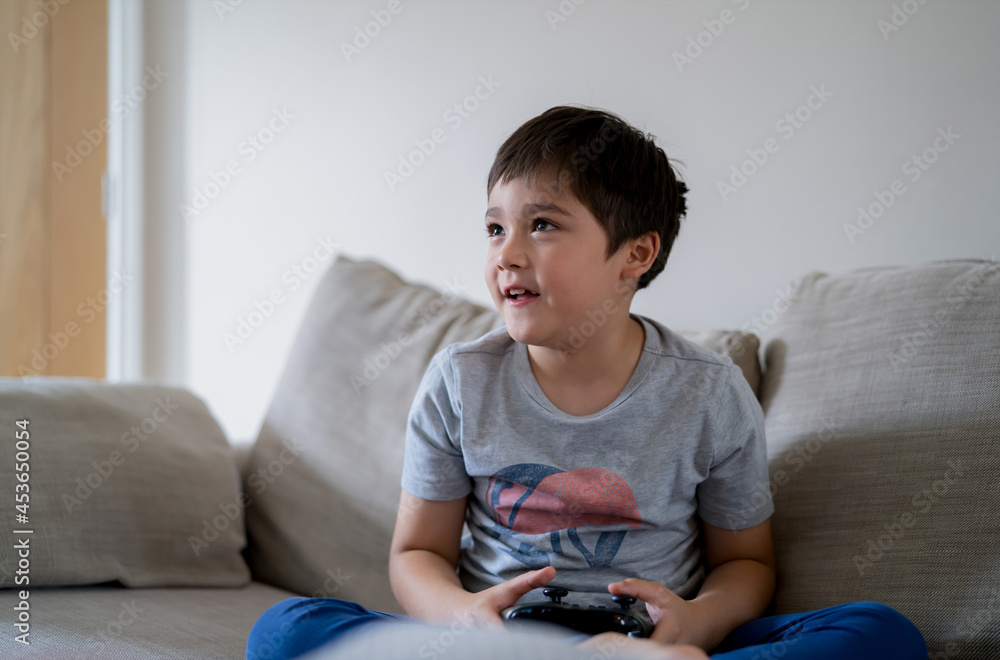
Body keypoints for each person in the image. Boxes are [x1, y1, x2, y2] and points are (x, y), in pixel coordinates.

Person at [246, 106, 926, 660]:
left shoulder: (709, 394)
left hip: (649, 638)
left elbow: (746, 565)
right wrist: (462, 618)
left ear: (636, 253)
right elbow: (418, 552)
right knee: (286, 629)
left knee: (878, 633)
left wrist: (694, 625)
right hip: (500, 640)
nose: (506, 253)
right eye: (494, 227)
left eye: (541, 225)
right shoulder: (461, 381)